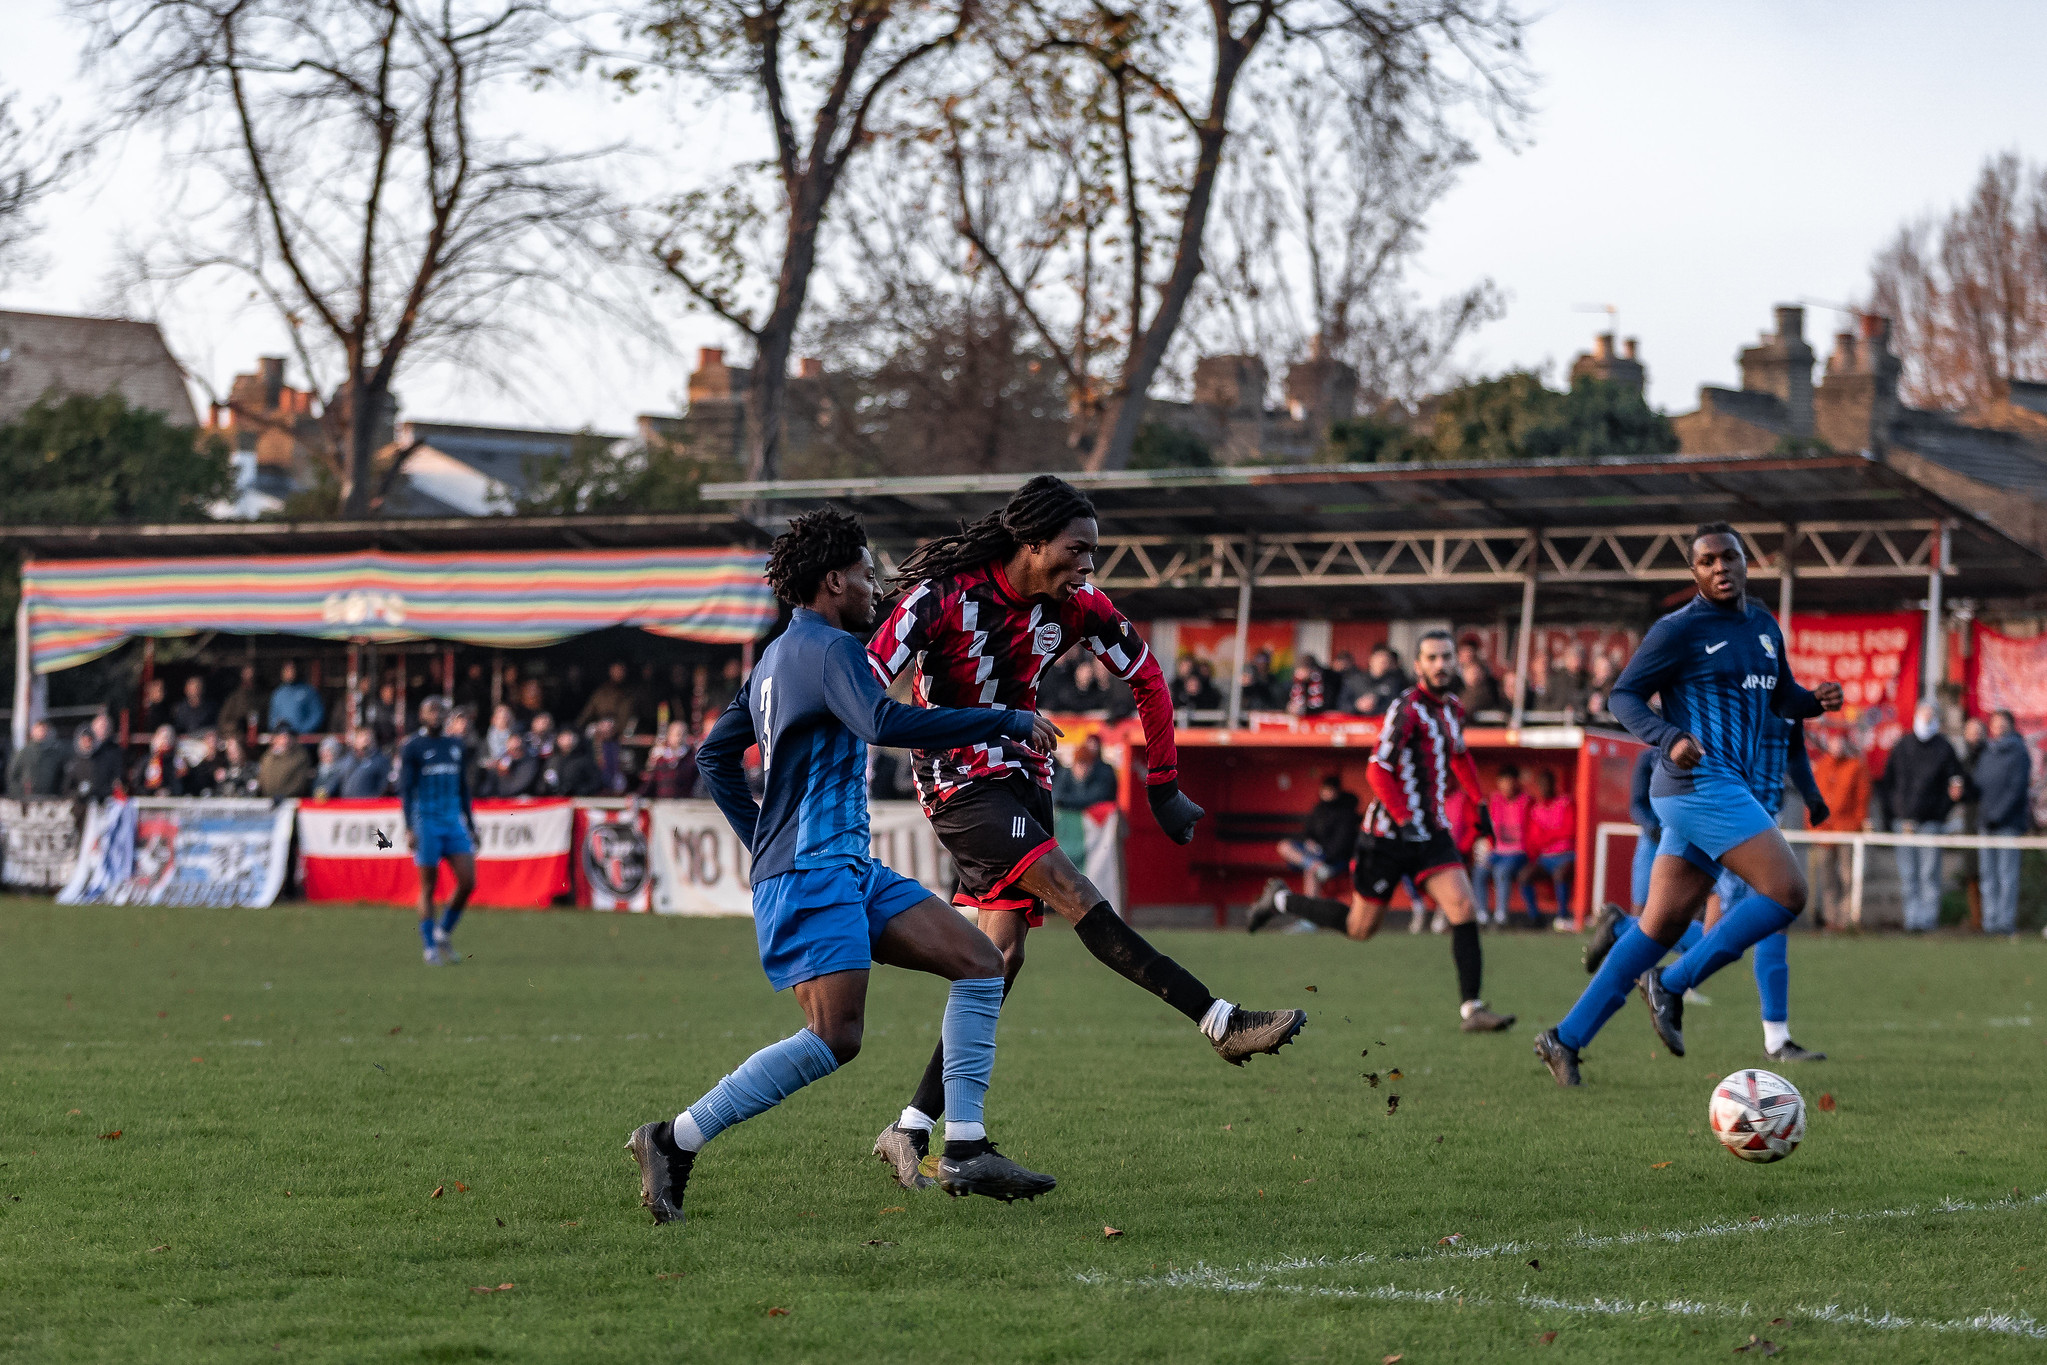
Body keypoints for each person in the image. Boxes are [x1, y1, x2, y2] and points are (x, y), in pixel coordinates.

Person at [866, 475, 1306, 1188]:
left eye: (1093, 551)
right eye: (1077, 549)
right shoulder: (942, 597)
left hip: (1025, 776)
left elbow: (1148, 677)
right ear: (1032, 542)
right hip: (958, 783)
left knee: (997, 961)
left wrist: (1164, 784)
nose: (1089, 565)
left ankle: (921, 1131)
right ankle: (1218, 1020)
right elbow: (864, 692)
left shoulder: (1078, 607)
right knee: (1074, 891)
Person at [627, 507, 1061, 1225]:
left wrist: (764, 838)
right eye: (865, 572)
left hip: (846, 869)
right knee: (837, 1037)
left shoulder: (776, 657)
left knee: (982, 963)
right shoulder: (829, 649)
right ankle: (673, 1139)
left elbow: (713, 755)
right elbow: (880, 723)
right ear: (833, 580)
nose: (874, 587)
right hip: (811, 874)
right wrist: (1002, 718)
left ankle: (965, 1144)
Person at [1534, 521, 1841, 1087]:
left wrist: (1813, 701)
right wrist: (1667, 735)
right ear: (1694, 572)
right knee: (1788, 892)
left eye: (1730, 557)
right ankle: (1671, 984)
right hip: (1698, 785)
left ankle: (1564, 1038)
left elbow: (1782, 698)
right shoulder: (1678, 629)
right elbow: (1623, 695)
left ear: (1745, 562)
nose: (1720, 567)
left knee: (1658, 927)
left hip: (1722, 788)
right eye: (1707, 561)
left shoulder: (1764, 628)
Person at [1245, 630, 1516, 1033]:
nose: (1441, 664)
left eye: (1446, 657)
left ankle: (1472, 1009)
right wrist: (1405, 820)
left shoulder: (1453, 709)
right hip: (1387, 835)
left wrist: (1480, 805)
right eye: (1432, 658)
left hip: (1430, 831)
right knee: (1361, 929)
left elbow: (1459, 756)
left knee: (1463, 907)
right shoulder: (1405, 709)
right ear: (1419, 665)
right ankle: (1280, 900)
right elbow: (1377, 770)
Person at [1586, 715, 1832, 1063]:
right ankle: (1631, 938)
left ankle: (1778, 1039)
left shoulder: (1783, 693)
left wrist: (1811, 794)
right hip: (1727, 818)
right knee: (1721, 935)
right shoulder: (1736, 694)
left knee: (1768, 921)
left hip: (1763, 821)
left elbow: (1793, 749)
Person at [1874, 700, 1968, 932]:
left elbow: (1955, 784)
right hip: (1903, 821)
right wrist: (1895, 813)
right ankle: (1912, 920)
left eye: (1930, 715)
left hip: (1932, 822)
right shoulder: (1902, 746)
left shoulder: (1944, 748)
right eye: (1923, 715)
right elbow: (1888, 783)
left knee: (1929, 874)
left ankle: (1928, 920)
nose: (1926, 720)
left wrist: (1940, 812)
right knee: (1908, 874)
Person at [399, 697, 477, 966]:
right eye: (431, 710)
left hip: (453, 822)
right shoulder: (413, 746)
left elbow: (463, 787)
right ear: (421, 715)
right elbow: (406, 790)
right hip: (426, 821)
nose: (436, 715)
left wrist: (471, 824)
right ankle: (429, 947)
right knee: (428, 886)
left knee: (468, 881)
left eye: (441, 711)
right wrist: (409, 827)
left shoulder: (455, 745)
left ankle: (442, 932)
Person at [1974, 710, 2034, 936]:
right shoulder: (1986, 751)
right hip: (1985, 824)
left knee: (2007, 876)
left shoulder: (2019, 752)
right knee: (1988, 875)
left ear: (2011, 725)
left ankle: (2005, 923)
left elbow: (2016, 788)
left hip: (2008, 823)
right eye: (1995, 723)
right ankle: (1990, 923)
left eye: (2002, 723)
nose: (1998, 727)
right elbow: (1978, 784)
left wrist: (1997, 815)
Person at [1807, 730, 1871, 928]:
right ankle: (1830, 917)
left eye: (1840, 741)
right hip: (1824, 832)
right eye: (1834, 741)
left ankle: (1847, 917)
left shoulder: (1855, 766)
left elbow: (1862, 800)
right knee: (1826, 877)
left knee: (1847, 876)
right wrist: (1813, 827)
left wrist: (1856, 825)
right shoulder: (1821, 766)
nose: (1837, 745)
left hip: (1846, 831)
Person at [1273, 774, 1360, 899]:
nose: (1326, 793)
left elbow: (1342, 844)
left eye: (1330, 790)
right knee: (1284, 846)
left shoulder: (1346, 813)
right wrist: (1309, 842)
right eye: (1324, 790)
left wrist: (1324, 857)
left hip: (1334, 858)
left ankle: (1310, 910)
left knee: (1311, 871)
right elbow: (1307, 832)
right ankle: (1316, 866)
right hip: (1314, 854)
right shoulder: (1319, 809)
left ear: (1337, 792)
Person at [1516, 768, 1575, 930]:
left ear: (1553, 784)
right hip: (1546, 858)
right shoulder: (1536, 809)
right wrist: (1554, 834)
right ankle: (1535, 918)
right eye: (1541, 785)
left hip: (1567, 855)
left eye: (1547, 784)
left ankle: (1563, 916)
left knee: (1561, 874)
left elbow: (1569, 830)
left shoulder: (1565, 803)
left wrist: (1547, 834)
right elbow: (1534, 838)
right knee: (1524, 875)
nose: (1544, 788)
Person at [1475, 765, 1531, 927]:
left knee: (1501, 871)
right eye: (1503, 782)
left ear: (1516, 782)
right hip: (1497, 852)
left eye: (1510, 782)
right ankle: (1482, 914)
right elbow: (1485, 825)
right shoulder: (1494, 800)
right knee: (1479, 871)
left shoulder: (1526, 801)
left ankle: (1501, 915)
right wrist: (1485, 841)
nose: (1507, 786)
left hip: (1519, 852)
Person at [1051, 734, 1119, 812]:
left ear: (1091, 766)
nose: (1083, 769)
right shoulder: (1065, 774)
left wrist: (1065, 802)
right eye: (1079, 764)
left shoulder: (1103, 773)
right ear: (1074, 765)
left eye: (1086, 765)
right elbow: (1055, 796)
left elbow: (1096, 798)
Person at [578, 661, 645, 734]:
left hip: (624, 735)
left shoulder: (633, 695)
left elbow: (635, 718)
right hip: (601, 734)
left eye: (620, 670)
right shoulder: (600, 693)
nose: (618, 674)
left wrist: (623, 731)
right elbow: (586, 715)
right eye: (615, 670)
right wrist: (576, 728)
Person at [1343, 644, 1409, 718]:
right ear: (1371, 659)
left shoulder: (1394, 683)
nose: (1381, 663)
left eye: (1385, 661)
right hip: (1355, 722)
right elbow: (1341, 704)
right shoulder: (1354, 680)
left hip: (1380, 721)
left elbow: (1397, 706)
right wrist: (1357, 706)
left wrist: (1376, 706)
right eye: (1378, 659)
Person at [8, 720, 67, 798]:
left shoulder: (55, 754)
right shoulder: (24, 753)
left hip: (49, 798)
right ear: (33, 732)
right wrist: (19, 793)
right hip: (27, 799)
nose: (41, 733)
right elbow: (12, 775)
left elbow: (61, 776)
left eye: (44, 730)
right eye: (39, 730)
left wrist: (57, 793)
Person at [541, 726, 603, 797]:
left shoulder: (584, 760)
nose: (566, 740)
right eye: (563, 737)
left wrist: (579, 791)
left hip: (578, 799)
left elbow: (595, 782)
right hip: (553, 799)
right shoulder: (552, 760)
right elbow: (542, 783)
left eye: (569, 737)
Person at [267, 661, 325, 736]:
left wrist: (303, 731)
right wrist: (279, 731)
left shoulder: (308, 691)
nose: (288, 673)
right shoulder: (278, 693)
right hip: (283, 738)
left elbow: (317, 715)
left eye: (291, 669)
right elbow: (272, 719)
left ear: (296, 671)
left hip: (303, 738)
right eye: (286, 670)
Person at [642, 721, 697, 799]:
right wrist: (636, 796)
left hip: (685, 804)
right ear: (669, 736)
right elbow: (651, 785)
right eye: (676, 734)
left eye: (683, 734)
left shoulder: (692, 760)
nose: (679, 738)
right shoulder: (661, 761)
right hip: (663, 803)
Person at [258, 727, 314, 798]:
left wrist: (284, 795)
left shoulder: (300, 756)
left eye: (287, 737)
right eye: (281, 737)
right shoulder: (267, 756)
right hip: (267, 798)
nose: (284, 740)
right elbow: (262, 777)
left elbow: (299, 782)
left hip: (290, 799)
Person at [1454, 640, 1504, 716]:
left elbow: (1466, 708)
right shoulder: (1456, 684)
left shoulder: (1485, 690)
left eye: (1475, 673)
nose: (1474, 676)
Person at [481, 733, 539, 798]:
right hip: (500, 796)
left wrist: (506, 775)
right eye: (511, 748)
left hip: (520, 796)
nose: (514, 751)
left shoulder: (529, 762)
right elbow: (489, 785)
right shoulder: (501, 760)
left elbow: (521, 784)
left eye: (517, 748)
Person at [216, 664, 267, 737]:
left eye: (252, 674)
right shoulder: (234, 698)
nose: (249, 677)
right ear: (242, 675)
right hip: (236, 735)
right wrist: (237, 726)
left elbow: (265, 721)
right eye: (247, 673)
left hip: (255, 736)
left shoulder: (261, 697)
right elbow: (222, 722)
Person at [340, 727, 393, 797]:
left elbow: (384, 785)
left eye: (367, 737)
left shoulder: (381, 760)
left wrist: (375, 799)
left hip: (369, 802)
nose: (365, 739)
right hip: (347, 802)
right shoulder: (347, 760)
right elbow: (337, 780)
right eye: (361, 736)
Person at [130, 726, 182, 797]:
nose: (166, 741)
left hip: (172, 800)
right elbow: (137, 784)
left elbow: (180, 784)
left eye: (170, 737)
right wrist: (153, 792)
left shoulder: (177, 761)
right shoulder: (146, 760)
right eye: (163, 737)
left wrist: (168, 791)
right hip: (148, 799)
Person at [1541, 642, 1591, 717]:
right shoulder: (1555, 679)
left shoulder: (1587, 679)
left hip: (1580, 721)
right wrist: (1562, 709)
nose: (1576, 661)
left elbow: (1588, 702)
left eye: (1579, 657)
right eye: (1573, 657)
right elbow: (1544, 705)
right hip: (1556, 720)